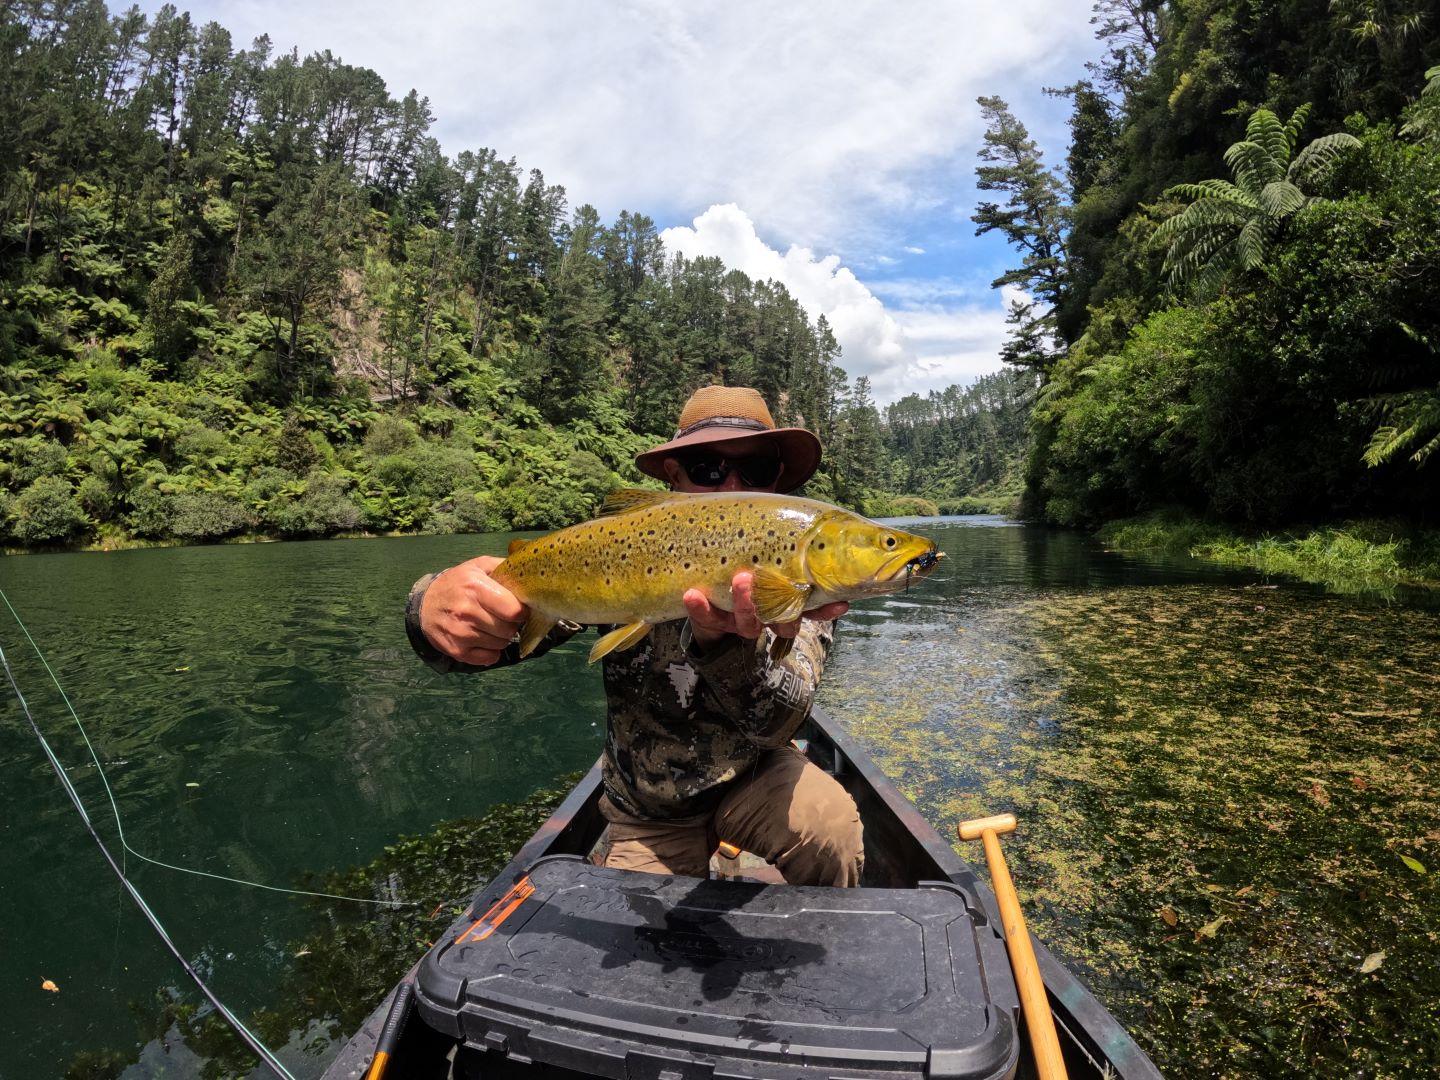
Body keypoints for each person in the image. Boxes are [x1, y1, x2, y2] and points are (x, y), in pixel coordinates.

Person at [404, 386, 863, 886]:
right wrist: (429, 610)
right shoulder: (619, 549)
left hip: (755, 775)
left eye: (753, 471)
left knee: (834, 831)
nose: (731, 483)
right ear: (674, 474)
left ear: (775, 480)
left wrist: (724, 646)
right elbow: (486, 647)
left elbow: (779, 722)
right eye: (709, 468)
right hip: (650, 804)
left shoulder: (803, 569)